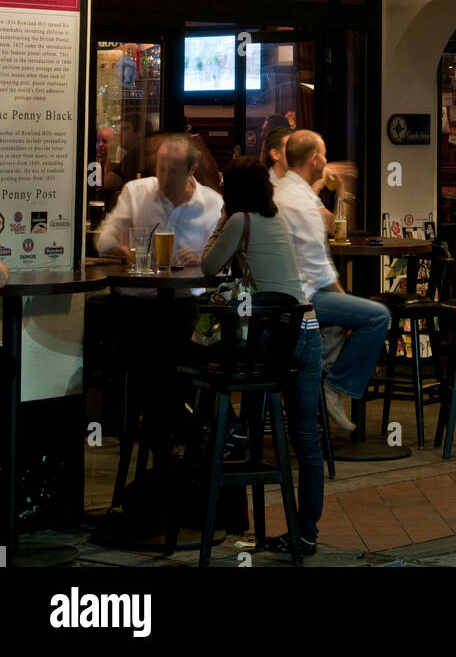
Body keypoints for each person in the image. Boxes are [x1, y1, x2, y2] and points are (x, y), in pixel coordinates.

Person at [201, 157, 323, 557]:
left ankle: (234, 428)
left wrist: (222, 217)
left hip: (274, 343)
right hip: (307, 332)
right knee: (306, 438)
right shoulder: (277, 220)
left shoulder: (241, 221)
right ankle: (305, 534)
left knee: (203, 359)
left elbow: (208, 265)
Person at [274, 130, 390, 433]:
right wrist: (347, 302)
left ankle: (314, 381)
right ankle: (334, 388)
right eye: (323, 155)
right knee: (377, 316)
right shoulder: (302, 203)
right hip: (303, 298)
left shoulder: (284, 191)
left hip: (278, 296)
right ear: (314, 159)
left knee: (344, 315)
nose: (326, 160)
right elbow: (321, 272)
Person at [96, 133, 223, 265]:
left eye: (173, 171)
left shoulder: (214, 204)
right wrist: (116, 250)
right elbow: (106, 236)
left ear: (191, 169)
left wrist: (202, 261)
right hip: (140, 284)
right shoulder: (136, 192)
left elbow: (223, 263)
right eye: (161, 169)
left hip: (187, 284)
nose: (165, 177)